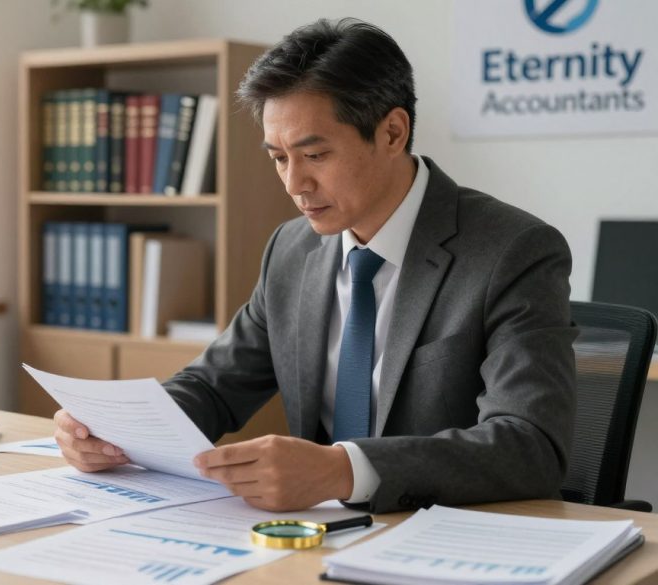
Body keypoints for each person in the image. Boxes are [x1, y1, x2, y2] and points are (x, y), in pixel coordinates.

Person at [52, 17, 577, 514]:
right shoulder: (292, 249)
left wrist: (342, 471)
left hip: (443, 536)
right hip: (314, 538)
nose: (293, 184)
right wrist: (117, 430)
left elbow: (529, 446)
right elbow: (214, 386)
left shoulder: (513, 250)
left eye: (315, 155)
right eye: (279, 157)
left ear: (393, 133)